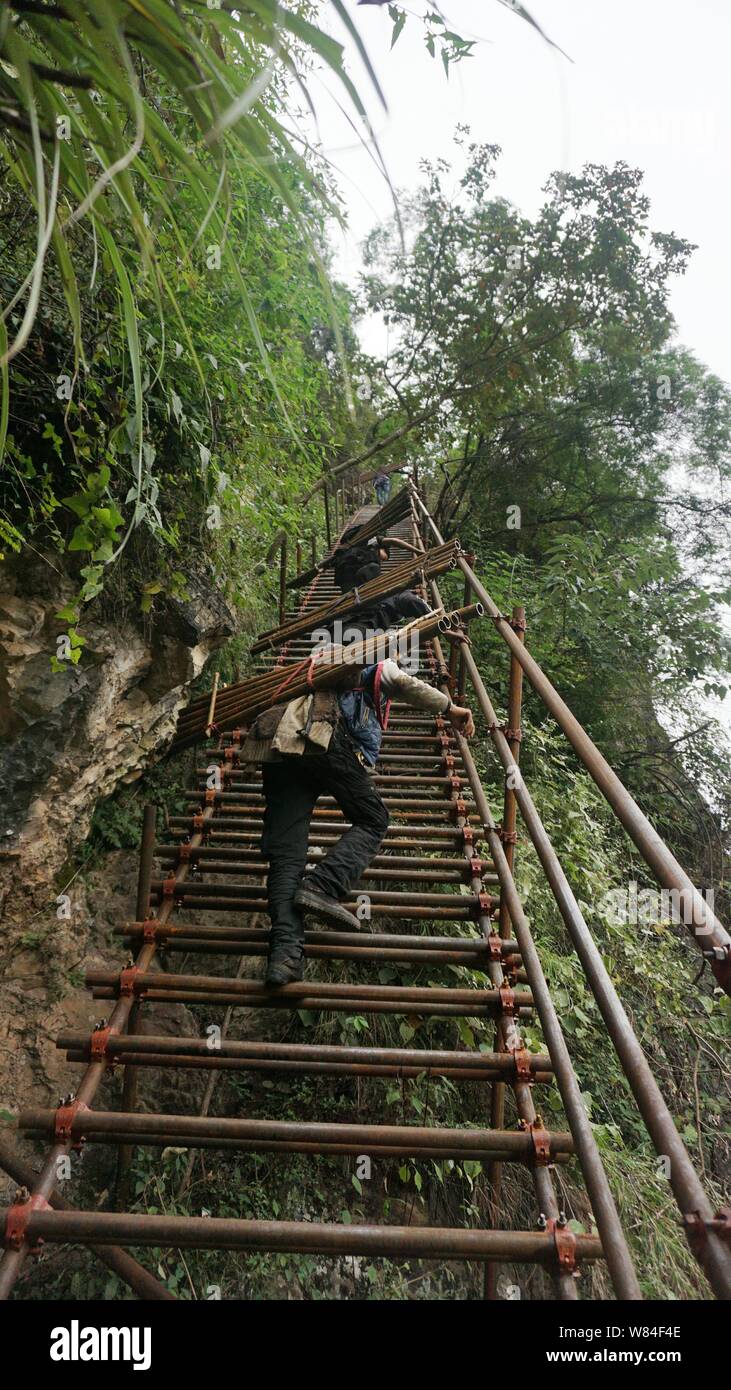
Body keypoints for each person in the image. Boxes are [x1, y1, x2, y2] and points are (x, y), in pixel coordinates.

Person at [246, 658, 475, 987]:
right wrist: (450, 708)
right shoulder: (370, 661)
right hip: (323, 735)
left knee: (286, 855)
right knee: (374, 818)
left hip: (280, 748)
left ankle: (285, 956)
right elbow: (404, 683)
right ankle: (322, 885)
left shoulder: (308, 674)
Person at [332, 527, 421, 593]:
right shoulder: (373, 539)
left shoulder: (349, 543)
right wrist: (417, 551)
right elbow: (394, 541)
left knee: (348, 600)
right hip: (360, 574)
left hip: (343, 575)